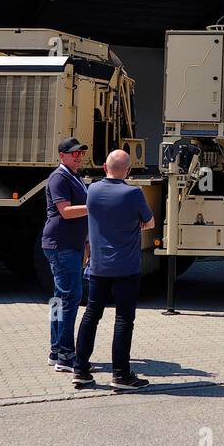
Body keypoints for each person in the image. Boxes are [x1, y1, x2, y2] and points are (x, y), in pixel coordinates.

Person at [73, 149, 154, 391]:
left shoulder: (93, 190)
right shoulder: (133, 193)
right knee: (123, 320)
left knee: (91, 316)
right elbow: (149, 222)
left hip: (98, 267)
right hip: (126, 267)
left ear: (105, 168)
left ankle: (80, 370)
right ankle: (120, 374)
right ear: (128, 171)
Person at [42, 136, 89, 372]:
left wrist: (87, 241)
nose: (78, 156)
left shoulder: (75, 176)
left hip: (70, 244)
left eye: (80, 153)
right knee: (70, 297)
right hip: (61, 245)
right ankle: (65, 355)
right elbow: (66, 212)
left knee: (60, 298)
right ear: (62, 156)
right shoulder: (59, 178)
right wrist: (95, 206)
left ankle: (55, 349)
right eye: (74, 153)